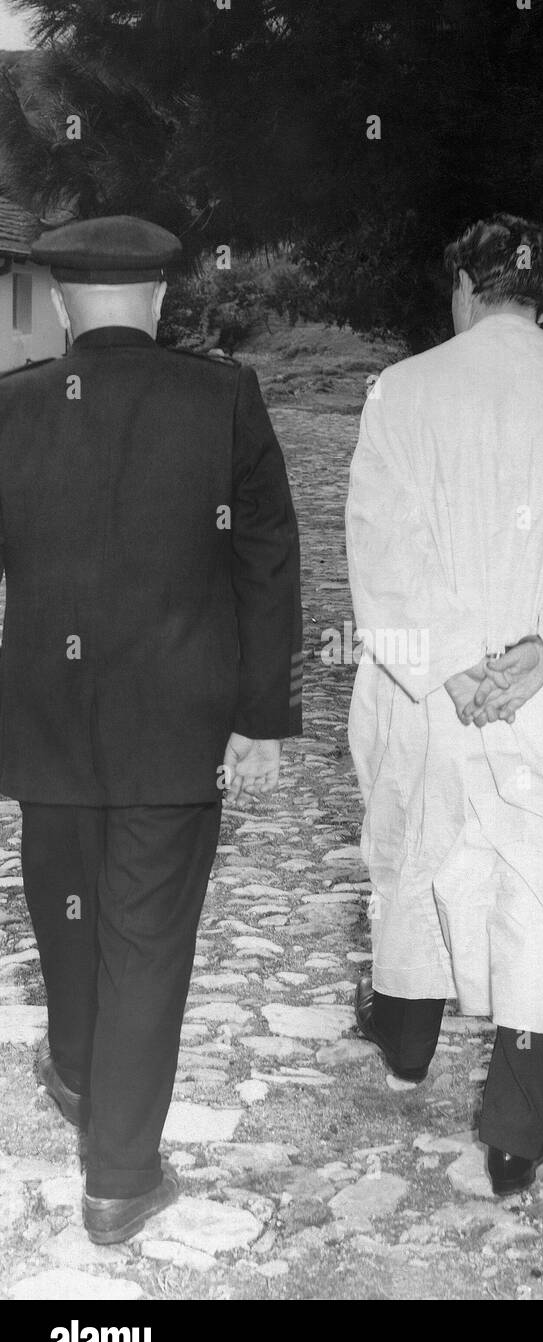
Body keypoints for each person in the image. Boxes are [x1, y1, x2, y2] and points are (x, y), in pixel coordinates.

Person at [346, 213, 543, 1195]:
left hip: (435, 696)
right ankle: (518, 1130)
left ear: (461, 290)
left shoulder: (403, 393)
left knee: (422, 851)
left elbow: (381, 547)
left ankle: (406, 1033)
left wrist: (447, 664)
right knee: (536, 885)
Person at [0, 215, 302, 1242]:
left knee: (70, 915)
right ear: (163, 300)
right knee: (145, 938)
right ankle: (119, 1176)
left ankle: (86, 1082)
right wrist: (261, 719)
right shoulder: (221, 398)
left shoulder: (15, 407)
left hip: (45, 726)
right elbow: (266, 561)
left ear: (63, 304)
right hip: (177, 731)